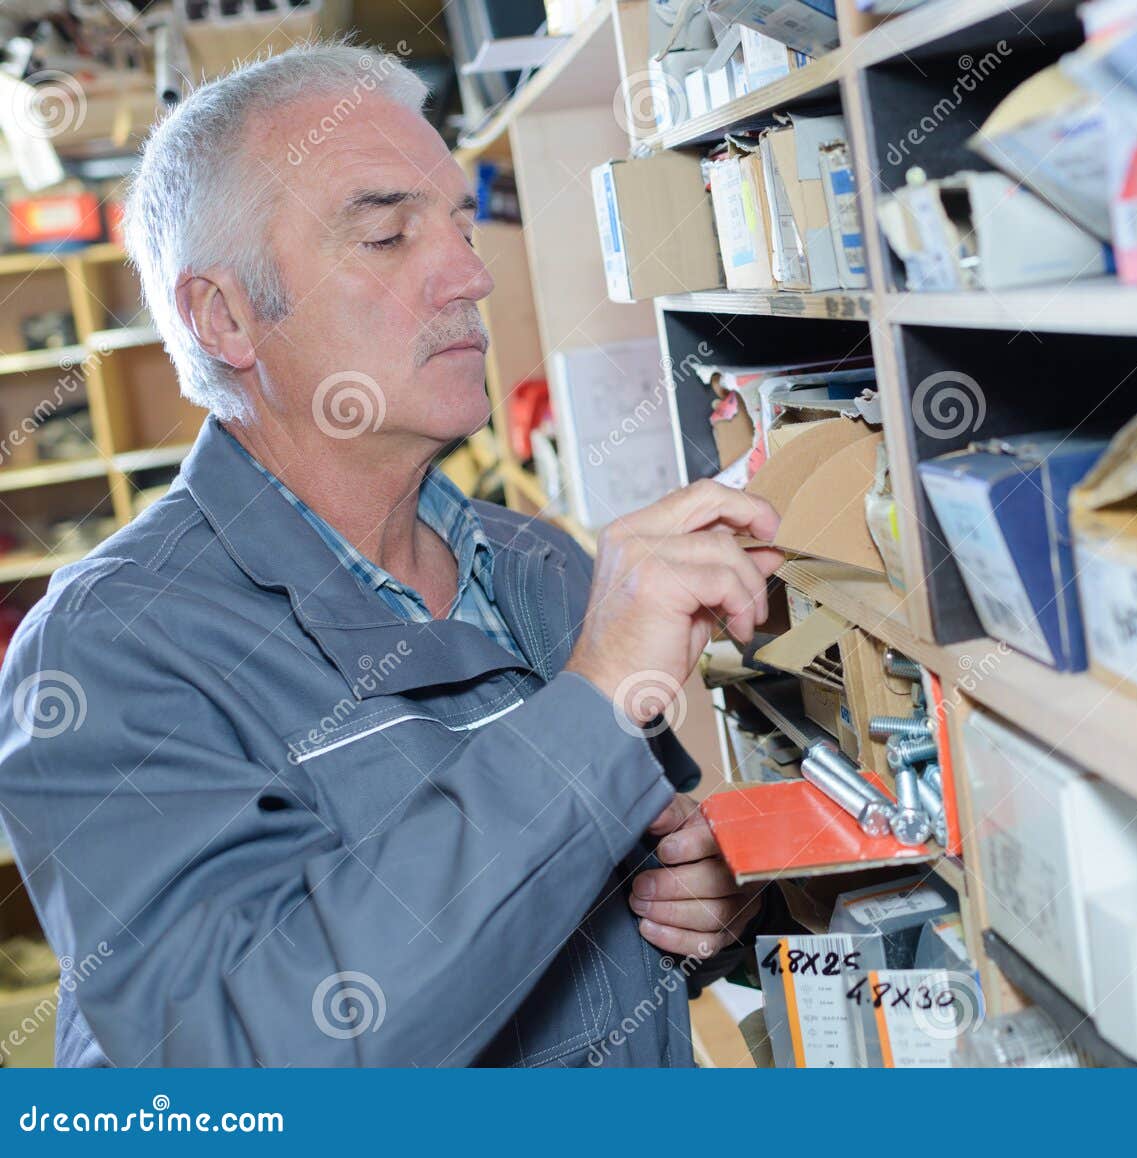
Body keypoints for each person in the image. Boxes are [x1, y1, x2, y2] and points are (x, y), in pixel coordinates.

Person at [0, 42, 786, 1066]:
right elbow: (250, 1059)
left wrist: (705, 906)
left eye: (460, 224)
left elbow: (595, 909)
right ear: (224, 316)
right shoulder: (108, 655)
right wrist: (591, 708)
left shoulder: (540, 565)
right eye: (384, 235)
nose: (467, 273)